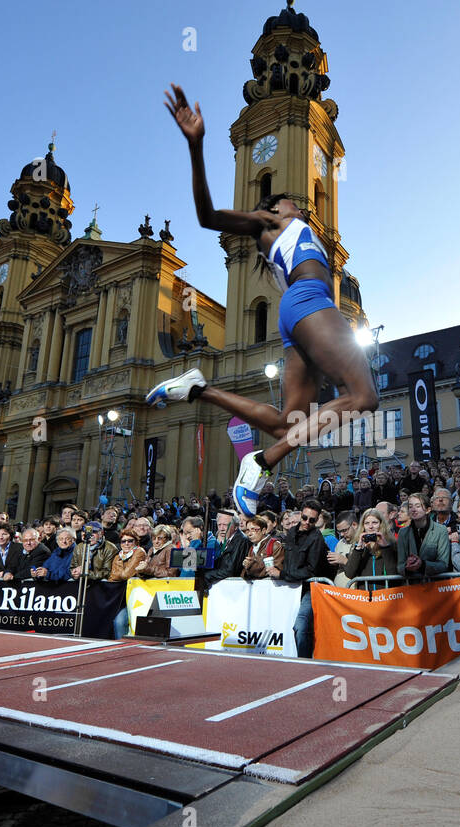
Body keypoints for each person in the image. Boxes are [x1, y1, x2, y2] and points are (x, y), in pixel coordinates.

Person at [153, 85, 378, 517]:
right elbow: (208, 217)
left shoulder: (286, 236)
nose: (299, 200)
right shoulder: (271, 219)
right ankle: (261, 462)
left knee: (287, 423)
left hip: (296, 314)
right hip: (311, 300)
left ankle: (199, 389)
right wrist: (196, 146)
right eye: (292, 199)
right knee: (364, 396)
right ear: (276, 205)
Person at [272, 499, 331, 656]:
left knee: (301, 626)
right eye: (304, 518)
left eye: (312, 520)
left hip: (309, 588)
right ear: (301, 514)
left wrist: (282, 574)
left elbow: (311, 571)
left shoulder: (317, 538)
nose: (307, 522)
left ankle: (304, 663)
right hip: (291, 587)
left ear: (317, 519)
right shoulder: (291, 533)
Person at [396, 492, 452, 579]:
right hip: (411, 586)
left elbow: (443, 564)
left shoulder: (441, 530)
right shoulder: (403, 532)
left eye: (418, 506)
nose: (413, 509)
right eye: (410, 506)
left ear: (428, 510)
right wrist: (407, 567)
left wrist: (422, 564)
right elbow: (400, 565)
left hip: (433, 585)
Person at [343, 508, 400, 587]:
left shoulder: (391, 544)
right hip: (365, 595)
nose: (370, 526)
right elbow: (349, 573)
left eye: (374, 522)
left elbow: (393, 573)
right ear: (363, 526)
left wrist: (385, 548)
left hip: (385, 595)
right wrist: (358, 549)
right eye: (366, 523)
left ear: (381, 524)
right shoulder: (357, 545)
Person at [327, 510, 361, 586]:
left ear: (354, 525)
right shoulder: (340, 543)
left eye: (344, 530)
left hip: (355, 593)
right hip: (339, 592)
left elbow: (363, 570)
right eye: (339, 531)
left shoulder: (363, 542)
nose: (342, 534)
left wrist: (344, 561)